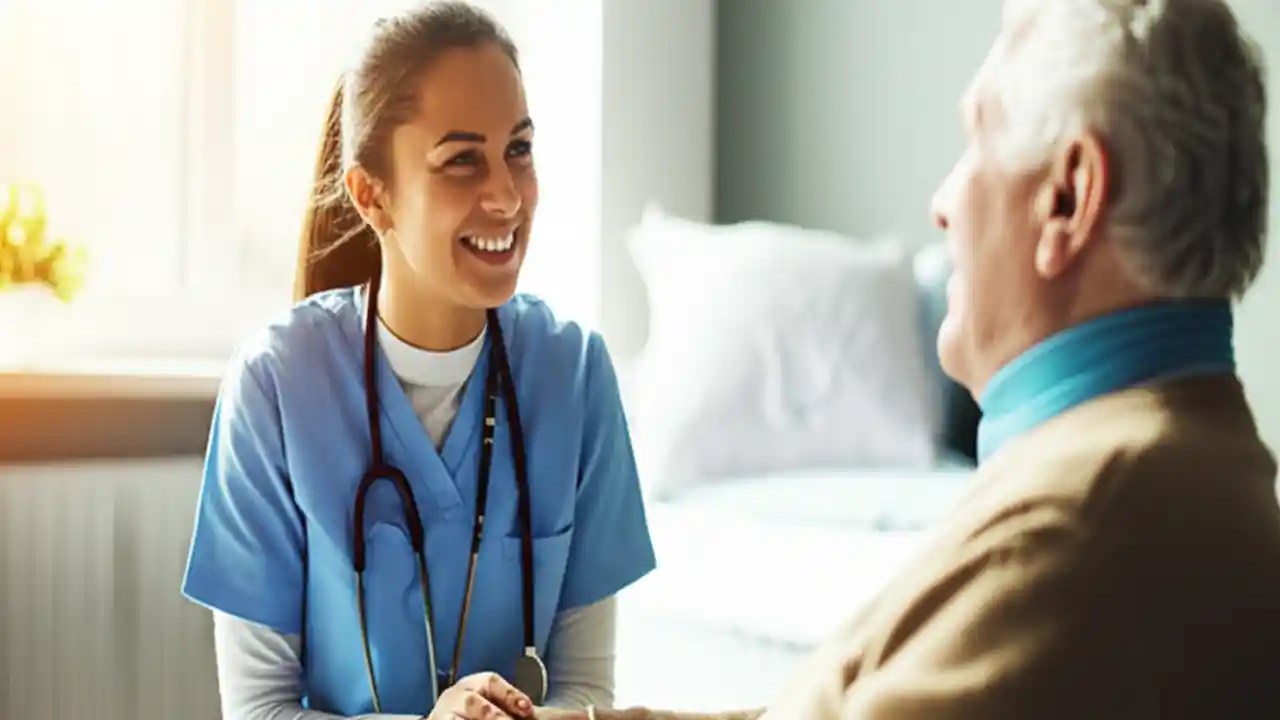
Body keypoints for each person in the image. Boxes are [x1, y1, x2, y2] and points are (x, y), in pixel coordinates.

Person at [542, 1, 1280, 719]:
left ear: (1067, 198)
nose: (943, 202)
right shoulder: (1201, 469)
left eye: (978, 138)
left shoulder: (1068, 532)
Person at [180, 3, 655, 718]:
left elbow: (587, 691)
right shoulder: (273, 387)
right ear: (372, 196)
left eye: (518, 149)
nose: (506, 196)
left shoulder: (575, 375)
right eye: (462, 160)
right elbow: (259, 711)